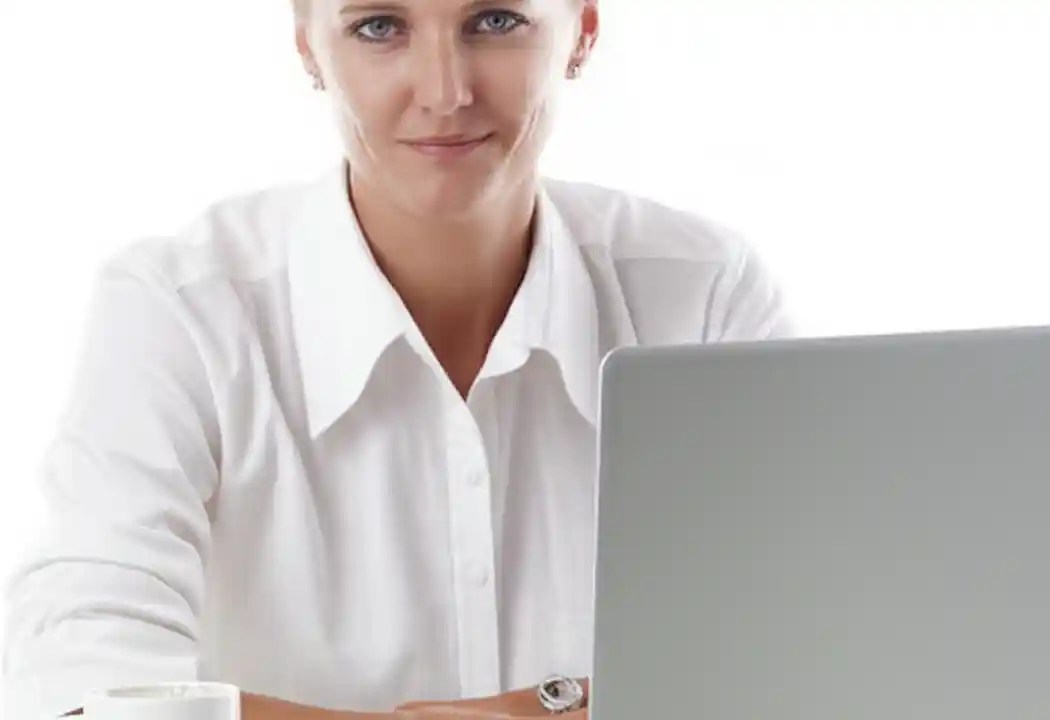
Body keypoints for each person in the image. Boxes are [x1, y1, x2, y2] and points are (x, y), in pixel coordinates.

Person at [1, 0, 792, 718]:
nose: (444, 90)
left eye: (495, 21)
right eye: (379, 26)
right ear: (309, 46)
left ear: (581, 31)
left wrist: (536, 709)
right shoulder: (182, 308)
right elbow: (85, 682)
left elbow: (798, 649)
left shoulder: (703, 295)